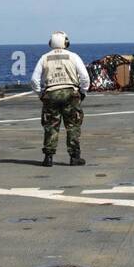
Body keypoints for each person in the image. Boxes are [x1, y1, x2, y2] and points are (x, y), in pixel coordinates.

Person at [30, 31, 91, 166]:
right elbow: (85, 78)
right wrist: (82, 92)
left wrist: (41, 95)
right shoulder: (73, 57)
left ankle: (48, 157)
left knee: (50, 126)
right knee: (73, 126)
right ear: (66, 43)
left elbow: (34, 80)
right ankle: (75, 157)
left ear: (51, 43)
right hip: (71, 94)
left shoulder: (44, 58)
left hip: (51, 94)